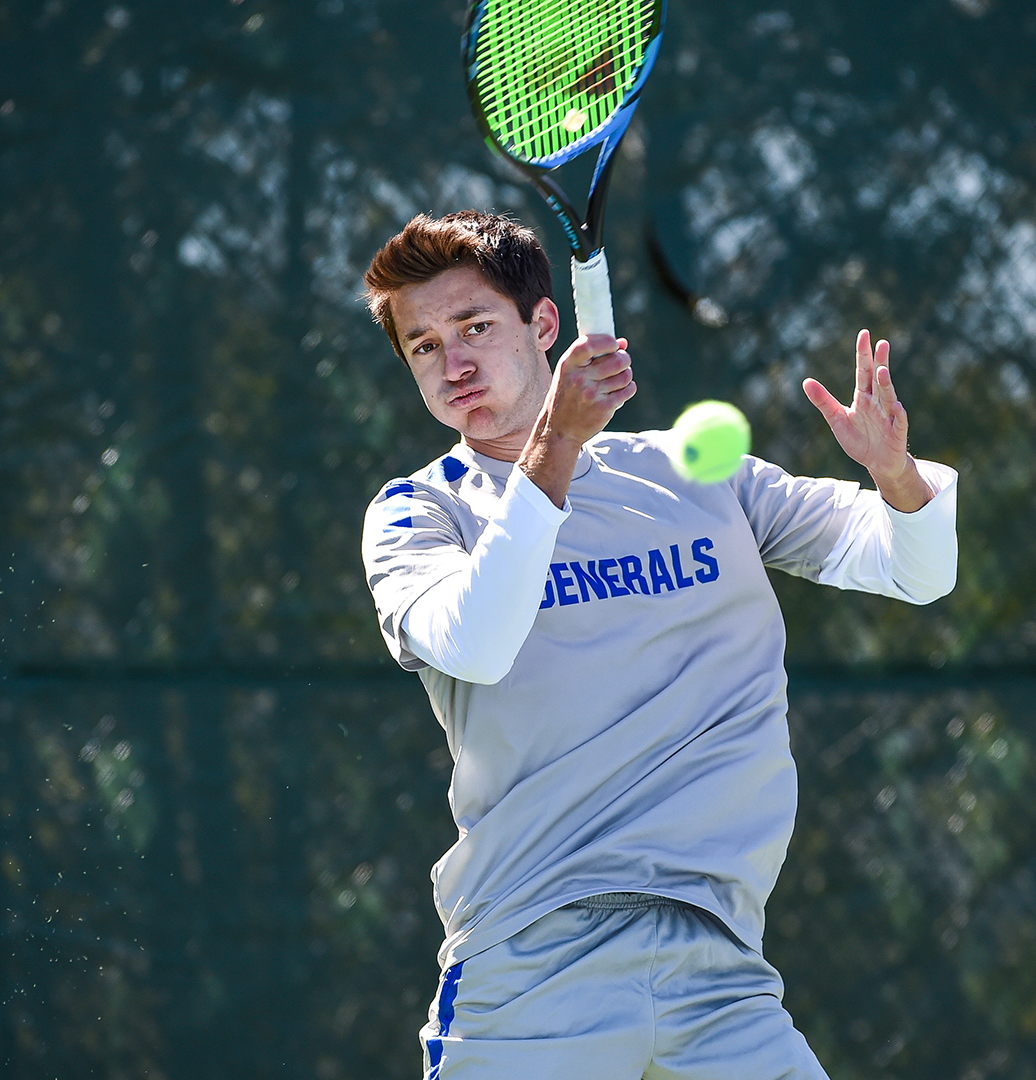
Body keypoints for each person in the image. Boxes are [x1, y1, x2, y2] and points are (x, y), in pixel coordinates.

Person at [358, 210, 958, 1080]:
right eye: (422, 346)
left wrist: (895, 472)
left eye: (475, 328)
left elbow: (914, 568)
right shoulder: (418, 513)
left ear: (545, 326)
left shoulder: (698, 476)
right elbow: (478, 642)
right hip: (530, 961)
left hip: (719, 967)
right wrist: (559, 439)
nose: (453, 366)